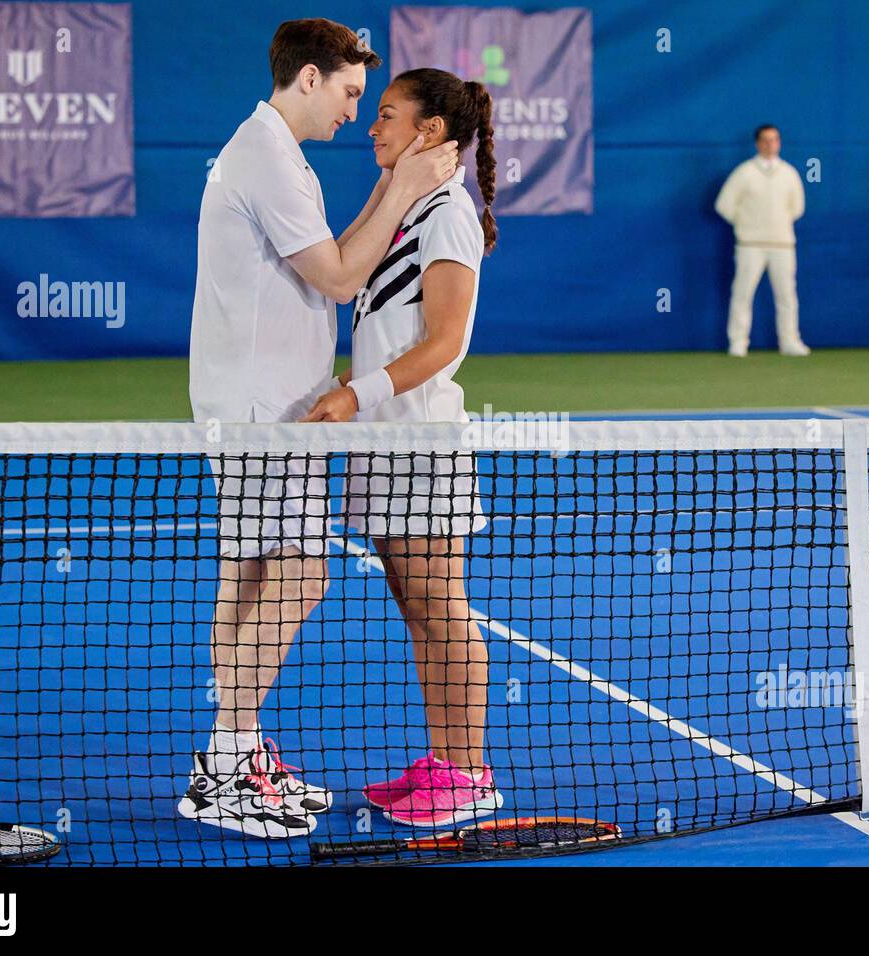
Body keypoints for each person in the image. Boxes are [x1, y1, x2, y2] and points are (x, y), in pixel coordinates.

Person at [180, 18, 459, 839]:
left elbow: (336, 251)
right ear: (309, 77)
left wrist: (394, 185)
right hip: (271, 416)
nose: (354, 112)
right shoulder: (266, 156)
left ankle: (229, 756)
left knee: (248, 579)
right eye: (347, 93)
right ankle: (231, 760)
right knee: (299, 578)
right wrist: (406, 187)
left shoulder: (272, 153)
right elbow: (341, 278)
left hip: (260, 409)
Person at [304, 68, 500, 829]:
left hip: (419, 443)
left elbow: (445, 342)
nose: (370, 126)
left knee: (441, 609)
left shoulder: (448, 213)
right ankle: (444, 760)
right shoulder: (408, 204)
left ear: (430, 132)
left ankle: (470, 772)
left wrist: (357, 394)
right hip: (385, 441)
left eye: (386, 116)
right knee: (418, 609)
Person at [715, 124, 809, 357]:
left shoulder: (789, 173)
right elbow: (724, 205)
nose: (771, 144)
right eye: (766, 140)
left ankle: (789, 341)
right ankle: (738, 341)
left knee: (786, 295)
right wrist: (745, 224)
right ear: (758, 143)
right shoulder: (744, 172)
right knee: (743, 293)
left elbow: (797, 208)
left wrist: (777, 224)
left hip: (782, 245)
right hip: (750, 245)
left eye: (775, 139)